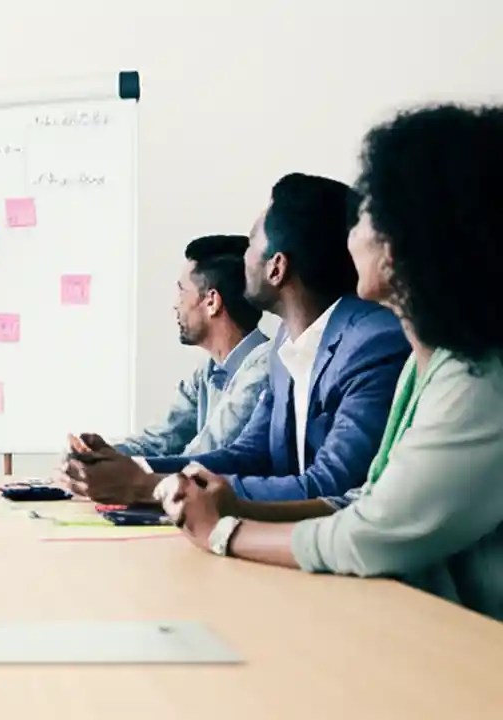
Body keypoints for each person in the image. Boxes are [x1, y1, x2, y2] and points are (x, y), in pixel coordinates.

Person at [170, 104, 503, 621]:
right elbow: (366, 500)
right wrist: (228, 503)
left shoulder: (477, 377)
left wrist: (225, 531)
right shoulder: (429, 364)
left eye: (367, 215)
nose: (353, 234)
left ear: (408, 237)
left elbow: (371, 534)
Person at [65, 173, 408, 504]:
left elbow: (331, 486)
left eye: (252, 242)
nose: (244, 255)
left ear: (277, 268)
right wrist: (132, 469)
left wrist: (150, 487)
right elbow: (250, 456)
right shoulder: (285, 345)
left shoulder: (372, 342)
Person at [111, 234, 270, 458]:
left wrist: (116, 471)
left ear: (212, 302)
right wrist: (100, 456)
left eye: (182, 291)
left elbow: (203, 458)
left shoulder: (263, 371)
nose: (176, 305)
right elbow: (159, 442)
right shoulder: (207, 371)